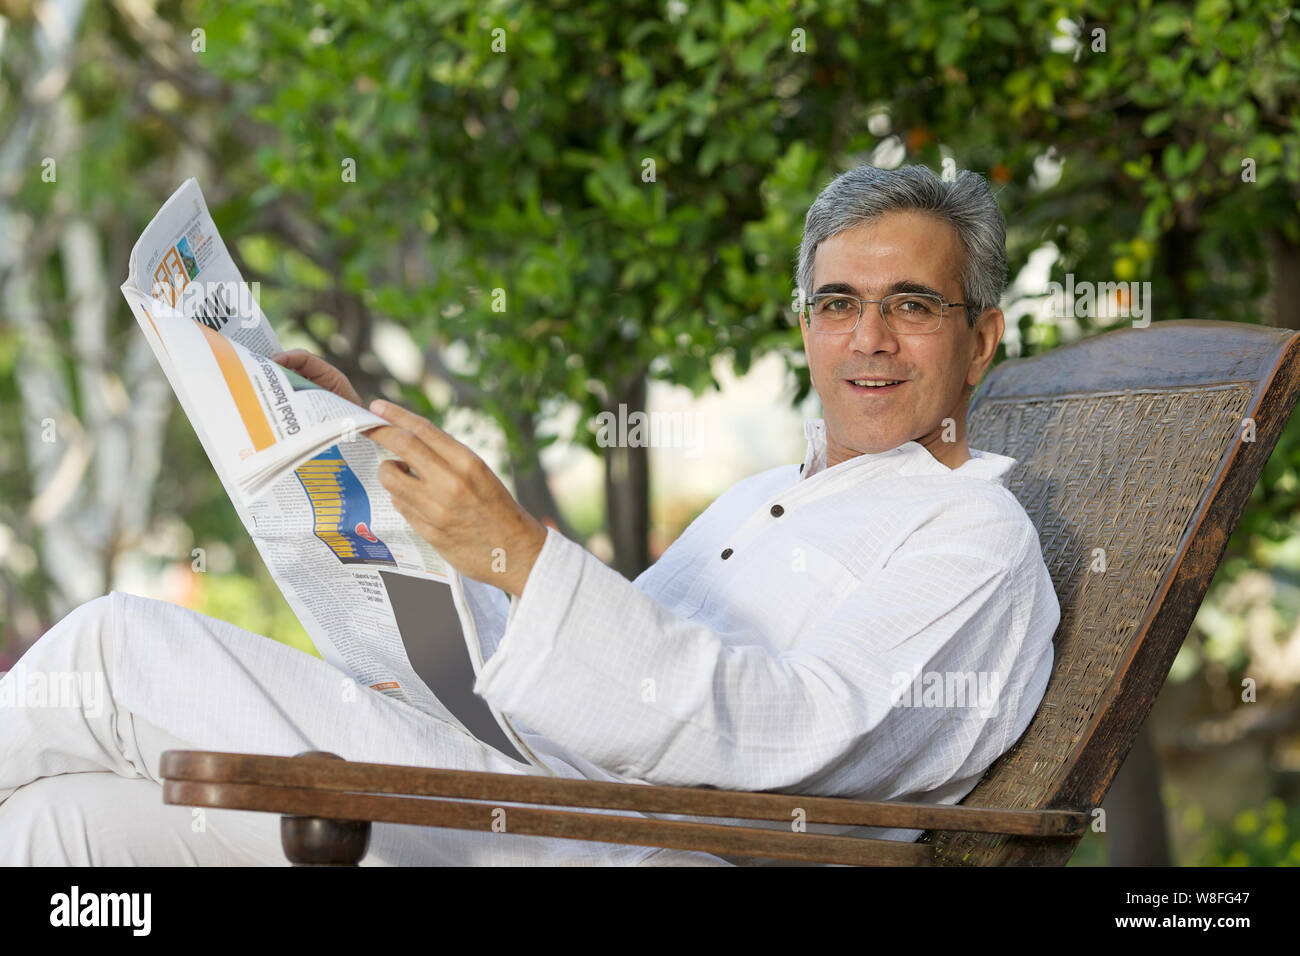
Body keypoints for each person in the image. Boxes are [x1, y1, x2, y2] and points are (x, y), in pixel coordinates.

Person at [0, 163, 1058, 866]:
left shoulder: (973, 533)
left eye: (911, 305)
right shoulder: (762, 497)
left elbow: (795, 737)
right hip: (517, 778)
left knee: (111, 647)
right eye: (839, 303)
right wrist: (371, 484)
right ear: (807, 329)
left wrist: (514, 547)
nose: (868, 335)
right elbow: (571, 665)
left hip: (607, 837)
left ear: (979, 339)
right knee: (59, 826)